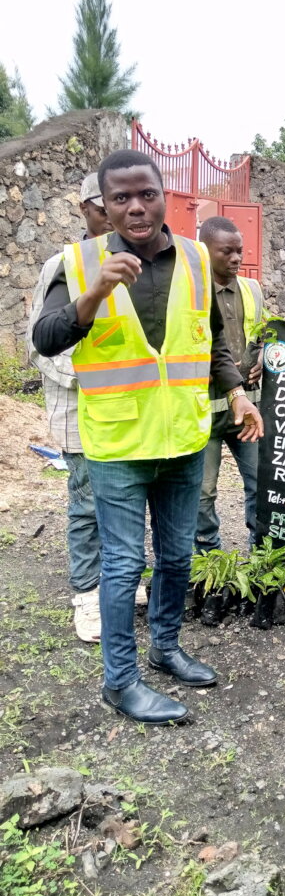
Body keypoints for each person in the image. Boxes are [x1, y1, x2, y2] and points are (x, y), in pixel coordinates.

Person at [33, 149, 263, 726]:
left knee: (178, 555)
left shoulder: (196, 258)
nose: (135, 207)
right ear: (104, 206)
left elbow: (210, 339)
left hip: (183, 438)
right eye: (121, 198)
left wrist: (236, 392)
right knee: (121, 564)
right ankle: (120, 681)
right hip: (118, 444)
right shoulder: (79, 263)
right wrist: (94, 294)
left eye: (147, 194)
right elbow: (45, 337)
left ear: (164, 198)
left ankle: (165, 647)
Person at [27, 174, 112, 642]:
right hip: (80, 409)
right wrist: (91, 376)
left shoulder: (137, 262)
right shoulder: (64, 265)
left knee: (123, 500)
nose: (115, 214)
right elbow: (39, 344)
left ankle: (116, 580)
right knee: (86, 502)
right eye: (105, 205)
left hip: (126, 410)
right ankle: (86, 594)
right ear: (85, 208)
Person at [195, 216, 263, 554]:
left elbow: (264, 333)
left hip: (247, 408)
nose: (236, 258)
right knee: (202, 492)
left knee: (260, 481)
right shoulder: (191, 291)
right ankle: (208, 557)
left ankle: (261, 550)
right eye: (227, 252)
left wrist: (263, 357)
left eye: (239, 251)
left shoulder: (252, 290)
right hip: (203, 411)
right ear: (204, 251)